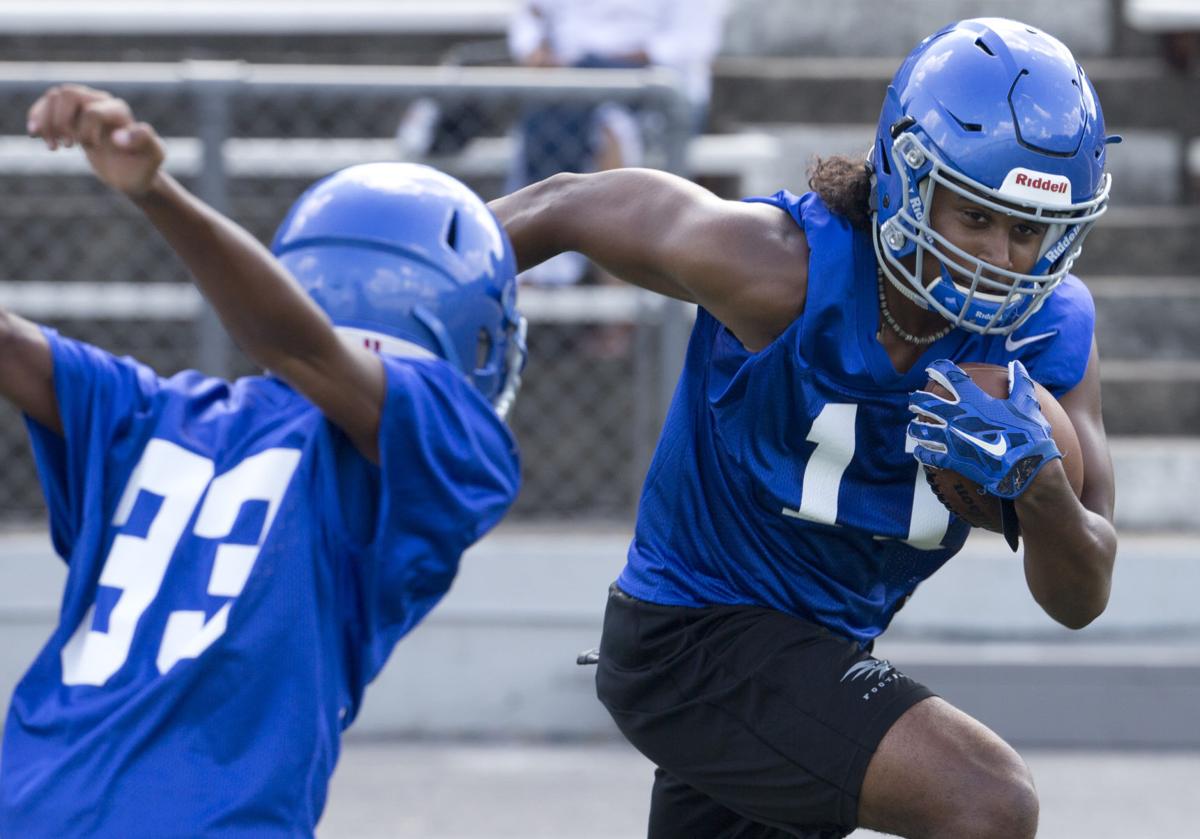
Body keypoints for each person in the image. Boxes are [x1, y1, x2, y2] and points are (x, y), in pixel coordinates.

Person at [491, 17, 1117, 839]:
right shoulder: (780, 267)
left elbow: (1081, 595)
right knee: (987, 801)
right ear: (908, 177)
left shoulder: (1049, 337)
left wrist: (1040, 490)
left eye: (1027, 229)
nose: (1000, 259)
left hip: (819, 657)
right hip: (693, 635)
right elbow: (563, 204)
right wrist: (399, 302)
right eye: (974, 217)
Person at [3, 85, 526, 837]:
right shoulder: (448, 437)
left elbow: (13, 343)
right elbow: (295, 345)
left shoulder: (152, 411)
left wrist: (157, 193)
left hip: (29, 798)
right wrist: (155, 193)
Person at [508, 0, 726, 287]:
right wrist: (540, 53)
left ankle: (591, 280)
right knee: (581, 113)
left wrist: (606, 66)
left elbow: (690, 43)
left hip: (659, 94)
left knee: (609, 126)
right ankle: (554, 263)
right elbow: (532, 19)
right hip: (570, 89)